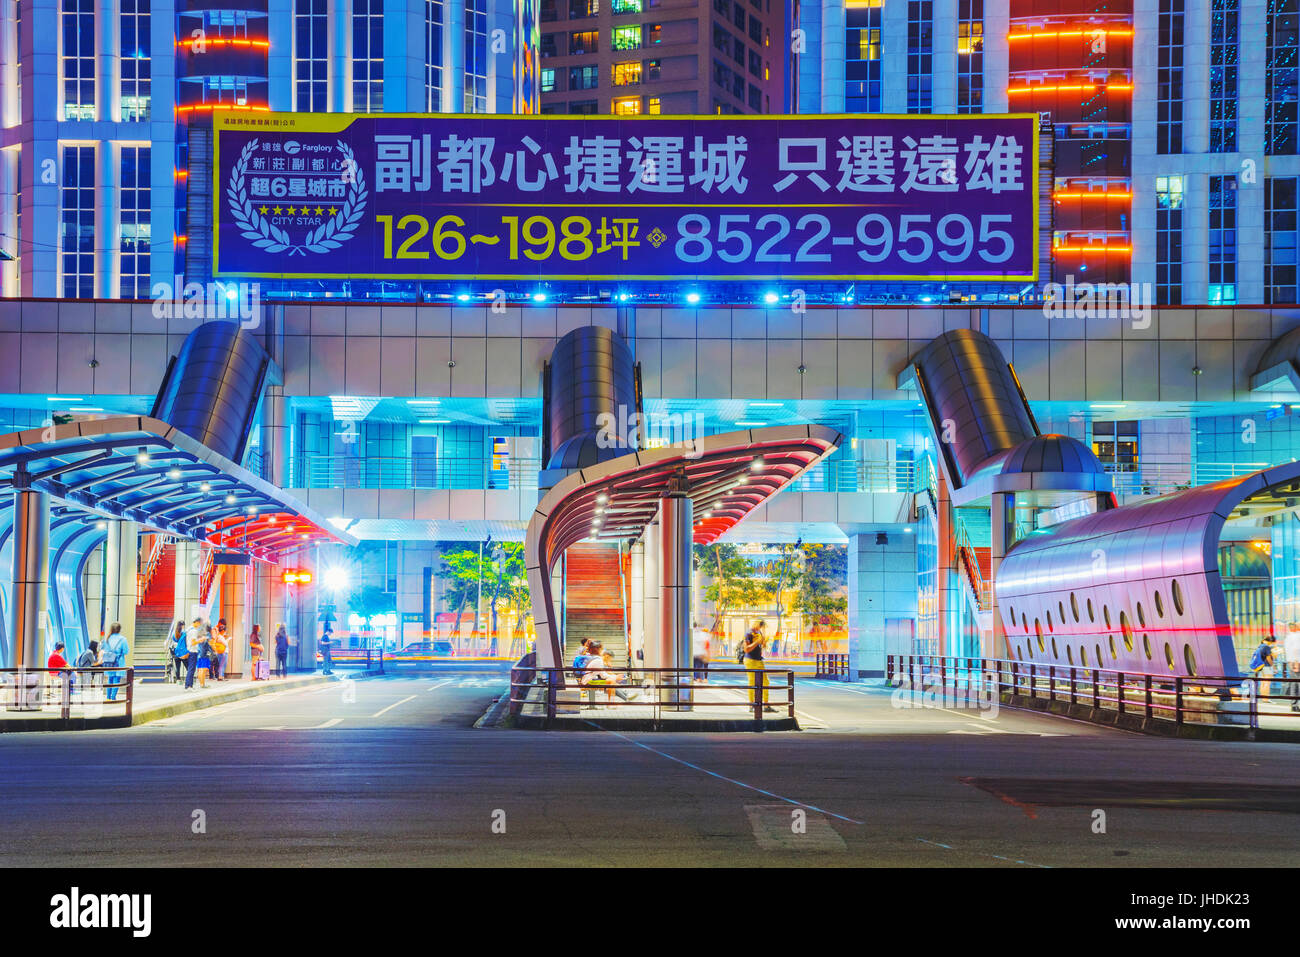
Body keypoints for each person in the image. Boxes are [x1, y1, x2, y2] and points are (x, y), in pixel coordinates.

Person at [743, 619, 776, 714]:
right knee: (752, 682)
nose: (759, 628)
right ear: (755, 624)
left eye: (761, 626)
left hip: (759, 660)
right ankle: (751, 704)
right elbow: (746, 649)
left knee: (765, 681)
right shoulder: (748, 634)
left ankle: (766, 704)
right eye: (759, 625)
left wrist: (763, 642)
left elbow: (762, 645)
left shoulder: (759, 632)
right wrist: (757, 642)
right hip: (750, 660)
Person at [101, 622, 130, 702]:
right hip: (118, 662)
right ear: (120, 630)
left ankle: (108, 697)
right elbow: (126, 651)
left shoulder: (107, 638)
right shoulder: (123, 639)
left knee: (110, 679)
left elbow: (104, 650)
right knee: (116, 680)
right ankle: (113, 697)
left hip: (109, 662)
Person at [1248, 635, 1277, 703]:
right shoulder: (1267, 647)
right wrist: (1273, 666)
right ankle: (1266, 698)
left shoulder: (1261, 646)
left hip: (1261, 667)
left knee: (1263, 682)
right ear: (1270, 641)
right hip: (1267, 666)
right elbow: (1268, 658)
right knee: (1267, 683)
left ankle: (1263, 698)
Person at [181, 618, 203, 691]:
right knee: (191, 669)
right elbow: (193, 642)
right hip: (193, 651)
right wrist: (200, 640)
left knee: (190, 669)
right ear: (196, 622)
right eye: (199, 624)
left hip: (188, 651)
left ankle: (189, 685)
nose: (199, 625)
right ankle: (188, 686)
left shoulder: (188, 629)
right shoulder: (193, 631)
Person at [1286, 622, 1300, 713]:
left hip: (1291, 662)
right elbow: (1296, 650)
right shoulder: (1297, 636)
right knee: (1297, 684)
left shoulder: (1288, 637)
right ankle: (1295, 704)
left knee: (1294, 684)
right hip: (1297, 663)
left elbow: (1288, 651)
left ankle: (1294, 704)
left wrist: (1291, 662)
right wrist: (1296, 663)